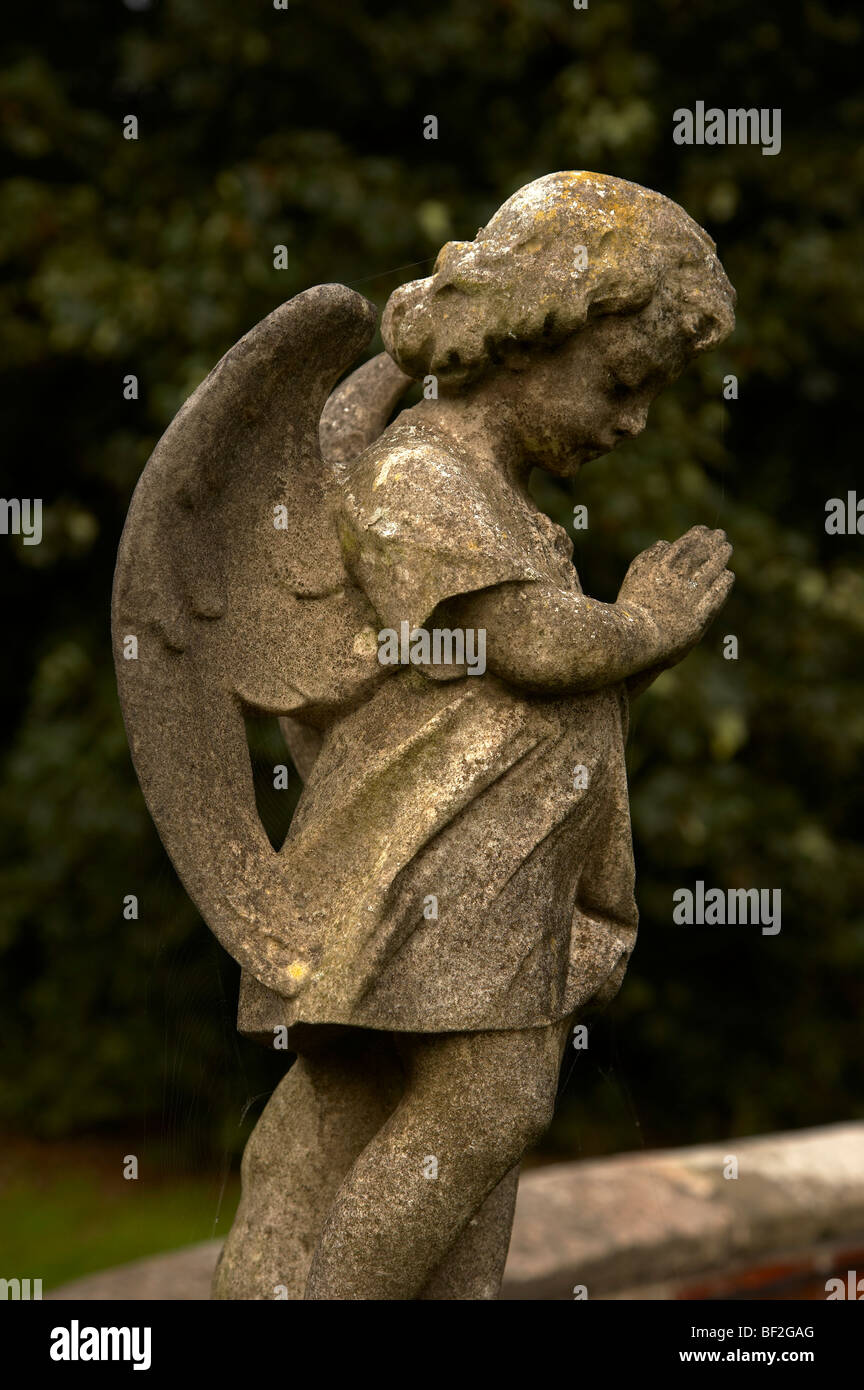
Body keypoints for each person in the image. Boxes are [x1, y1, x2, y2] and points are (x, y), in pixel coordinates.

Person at [216, 170, 736, 1301]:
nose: (633, 421)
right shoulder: (421, 474)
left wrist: (600, 887)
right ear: (534, 331)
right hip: (427, 869)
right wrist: (646, 623)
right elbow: (526, 645)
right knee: (495, 1101)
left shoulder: (511, 510)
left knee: (354, 1124)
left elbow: (565, 720)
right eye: (624, 382)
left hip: (490, 877)